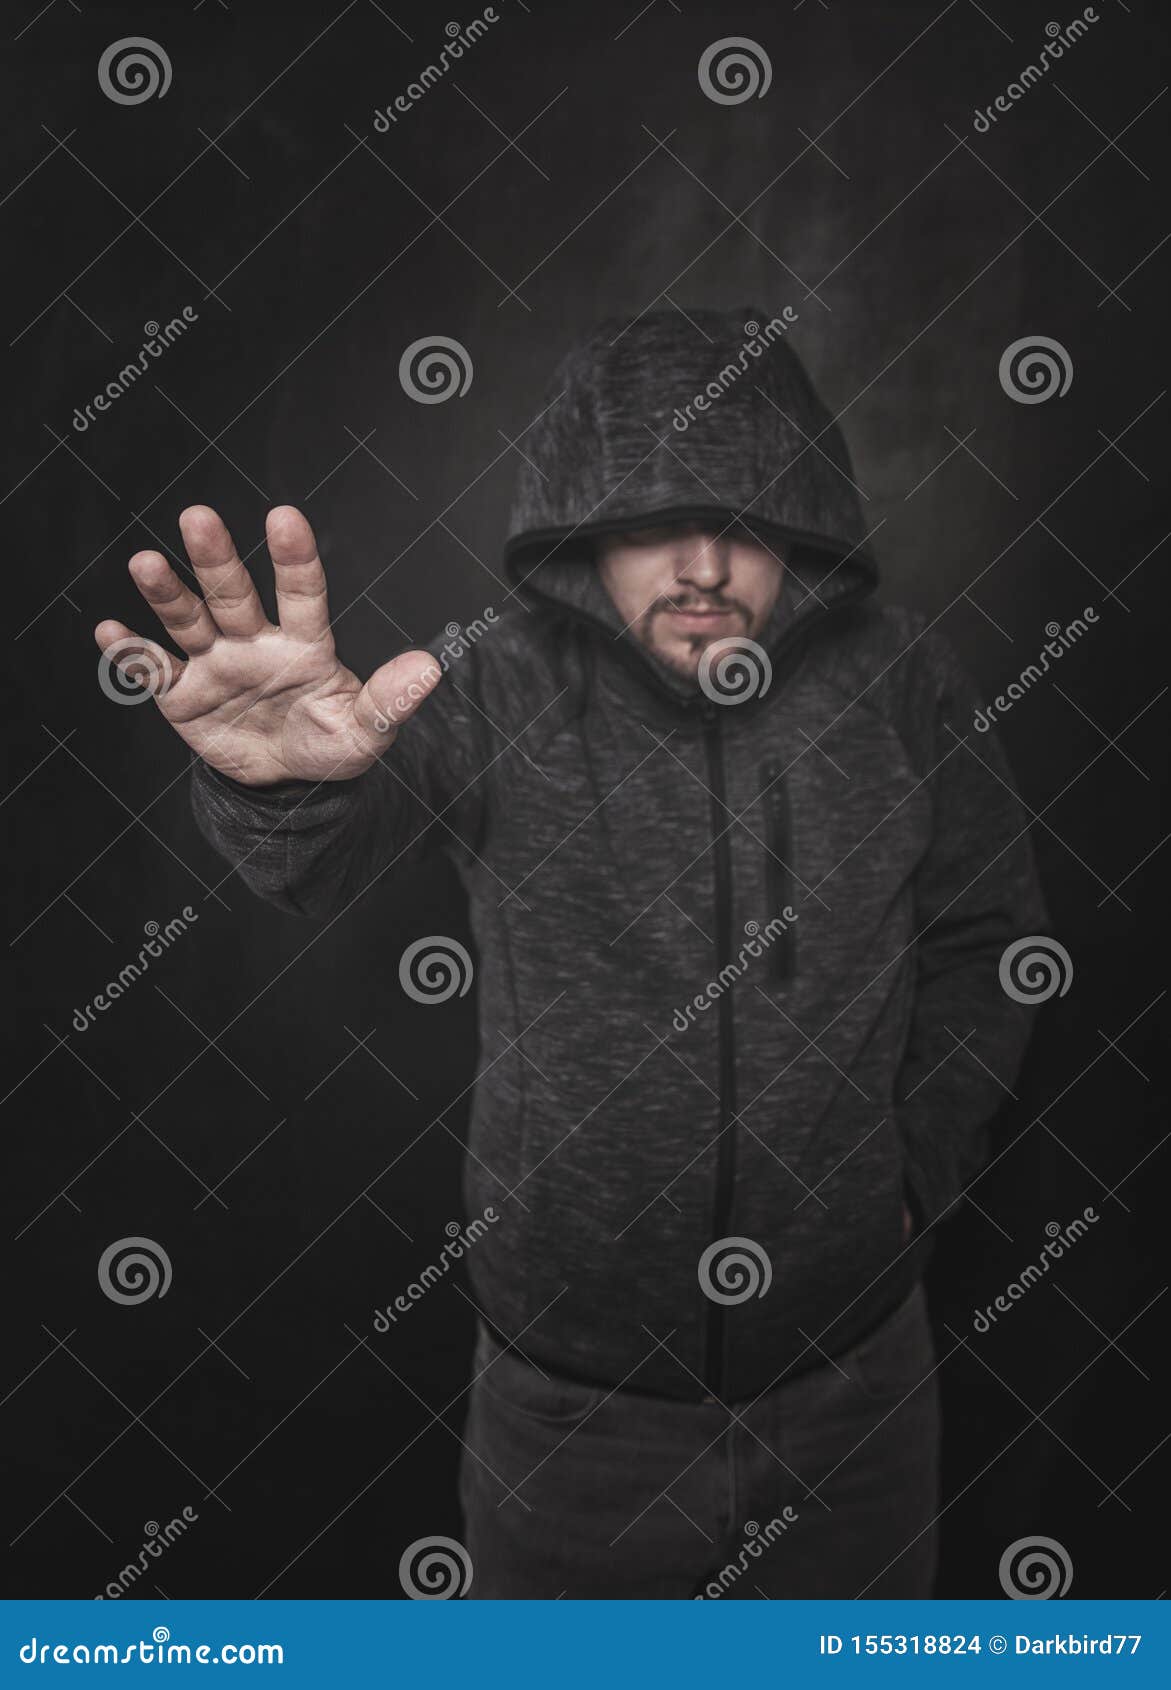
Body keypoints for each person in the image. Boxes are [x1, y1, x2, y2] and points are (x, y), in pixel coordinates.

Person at [95, 307, 1045, 1598]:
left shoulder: (902, 680)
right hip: (574, 1415)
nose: (704, 561)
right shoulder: (492, 685)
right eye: (659, 516)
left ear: (808, 522)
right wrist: (281, 788)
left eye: (746, 519)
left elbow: (991, 940)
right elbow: (317, 856)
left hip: (856, 1387)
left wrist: (914, 1176)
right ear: (587, 524)